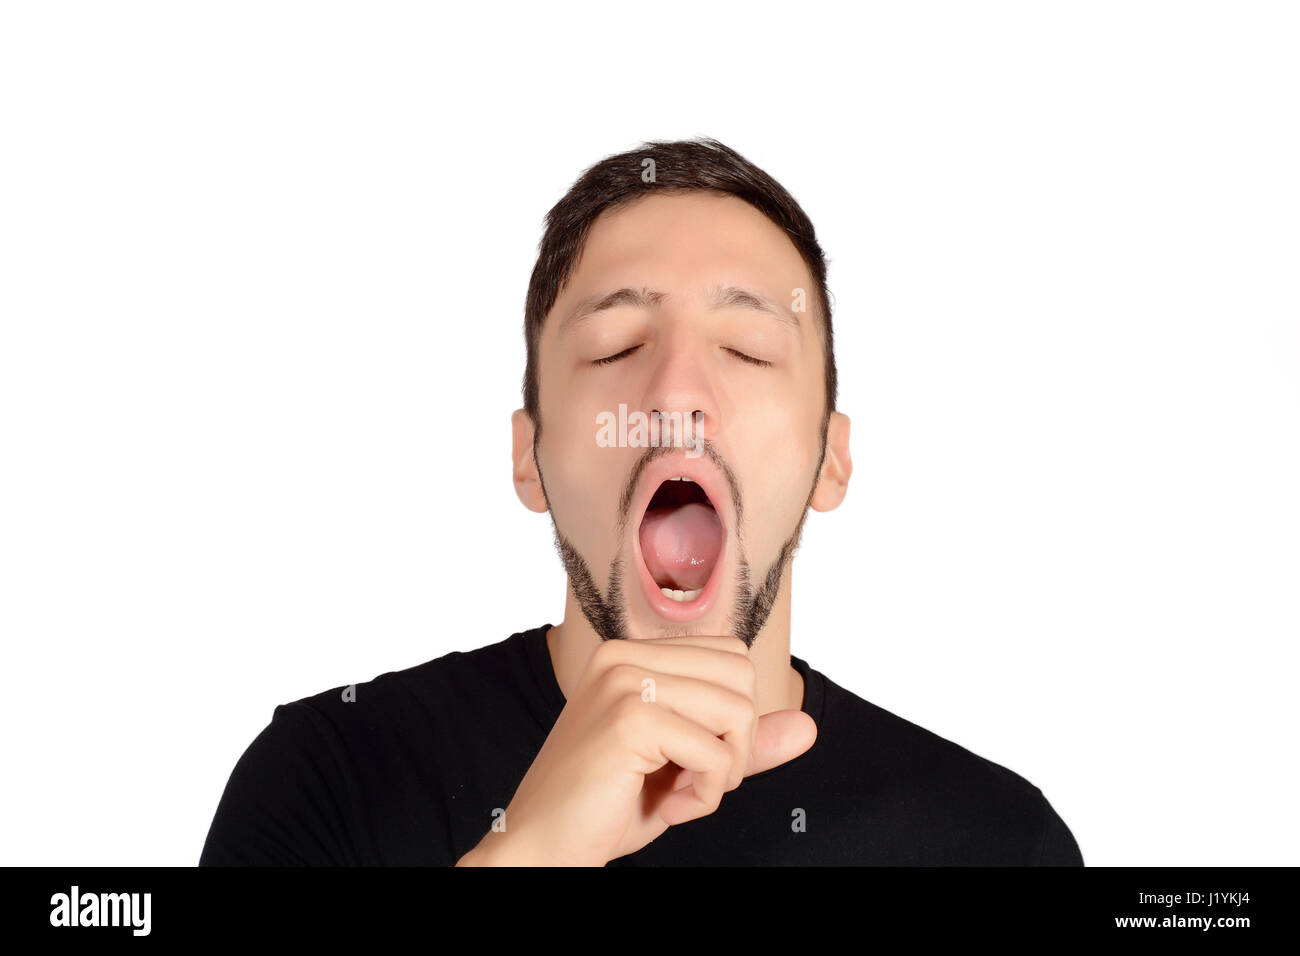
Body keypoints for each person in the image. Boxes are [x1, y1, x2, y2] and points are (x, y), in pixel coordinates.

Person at [199, 138, 1083, 866]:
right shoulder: (329, 782)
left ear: (829, 462)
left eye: (748, 349)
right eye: (616, 345)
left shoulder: (1000, 846)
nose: (674, 396)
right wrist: (533, 851)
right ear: (531, 457)